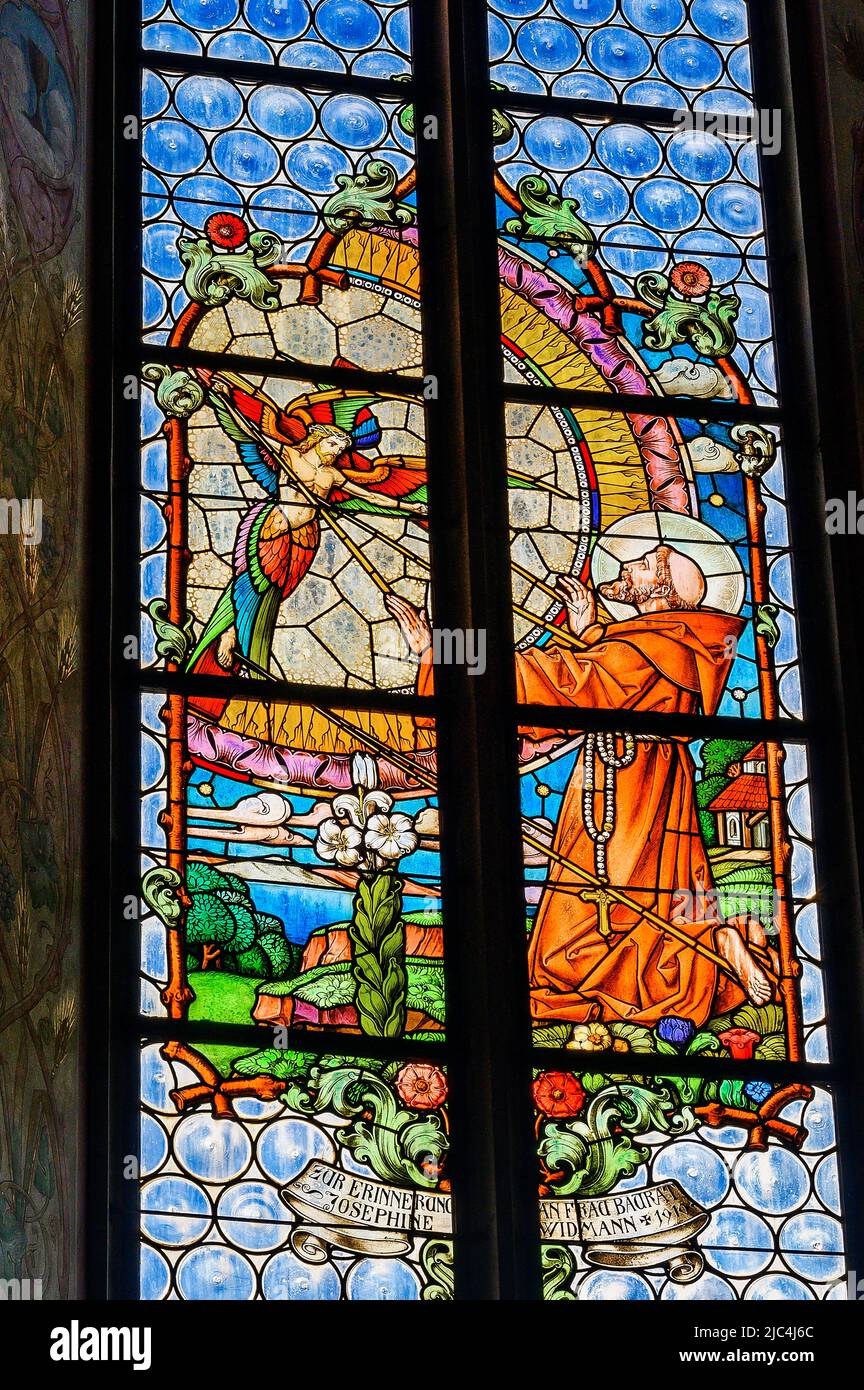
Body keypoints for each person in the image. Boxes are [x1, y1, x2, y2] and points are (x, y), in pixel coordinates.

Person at [385, 543, 776, 1028]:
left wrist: (437, 650)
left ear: (662, 586)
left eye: (643, 562)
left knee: (592, 923)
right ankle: (714, 938)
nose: (625, 566)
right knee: (659, 894)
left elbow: (556, 683)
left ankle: (706, 952)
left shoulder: (649, 647)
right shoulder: (667, 642)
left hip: (625, 787)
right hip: (647, 779)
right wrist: (591, 630)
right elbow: (606, 681)